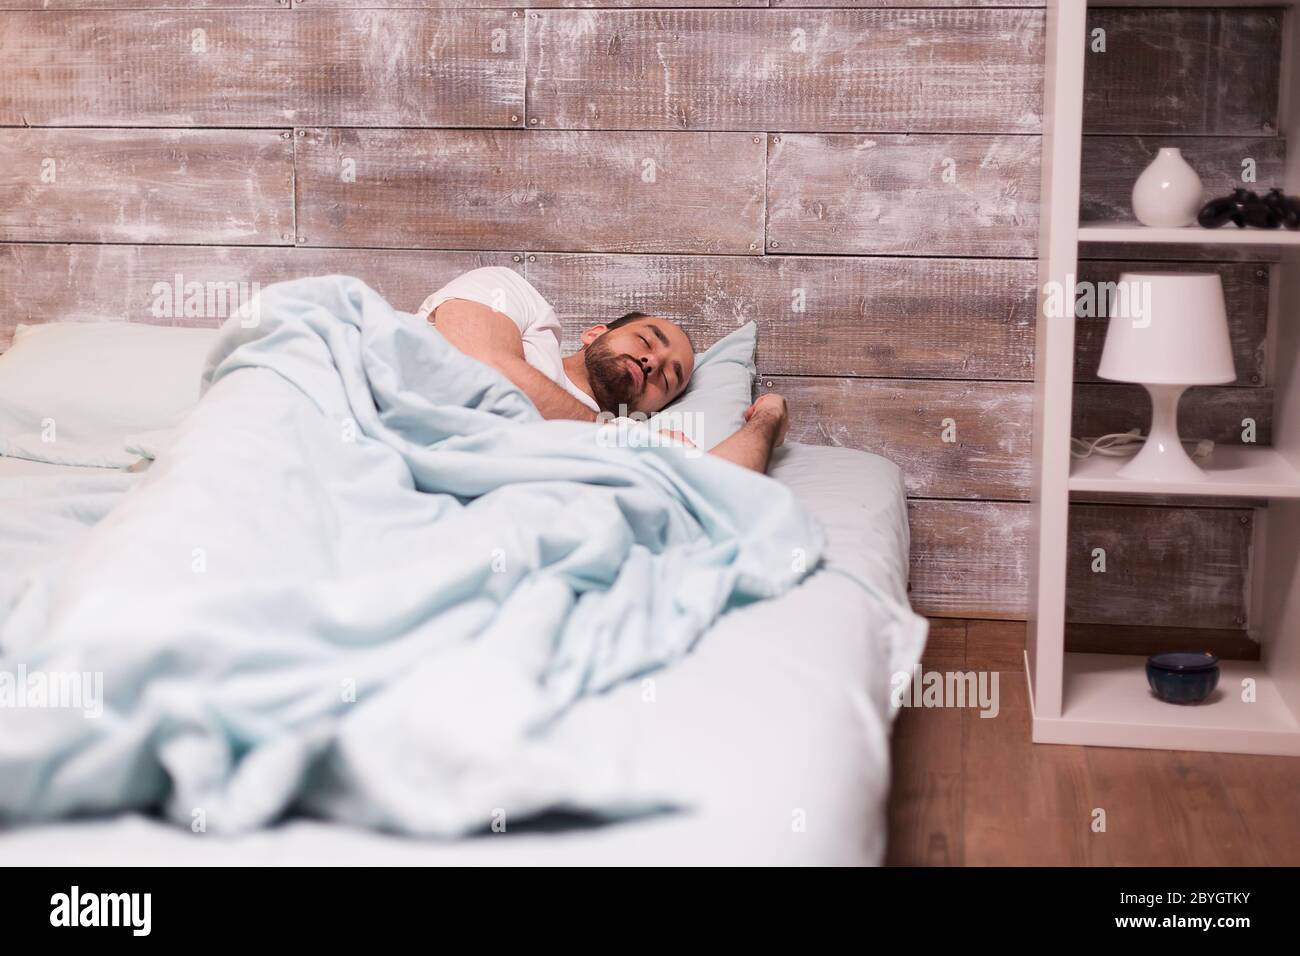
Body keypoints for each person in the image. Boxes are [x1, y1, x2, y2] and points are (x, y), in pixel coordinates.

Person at [417, 268, 788, 473]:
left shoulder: (636, 438)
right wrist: (611, 438)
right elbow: (483, 368)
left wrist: (769, 417)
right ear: (594, 334)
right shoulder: (517, 297)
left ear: (653, 411)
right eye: (646, 340)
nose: (653, 362)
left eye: (668, 379)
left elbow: (724, 488)